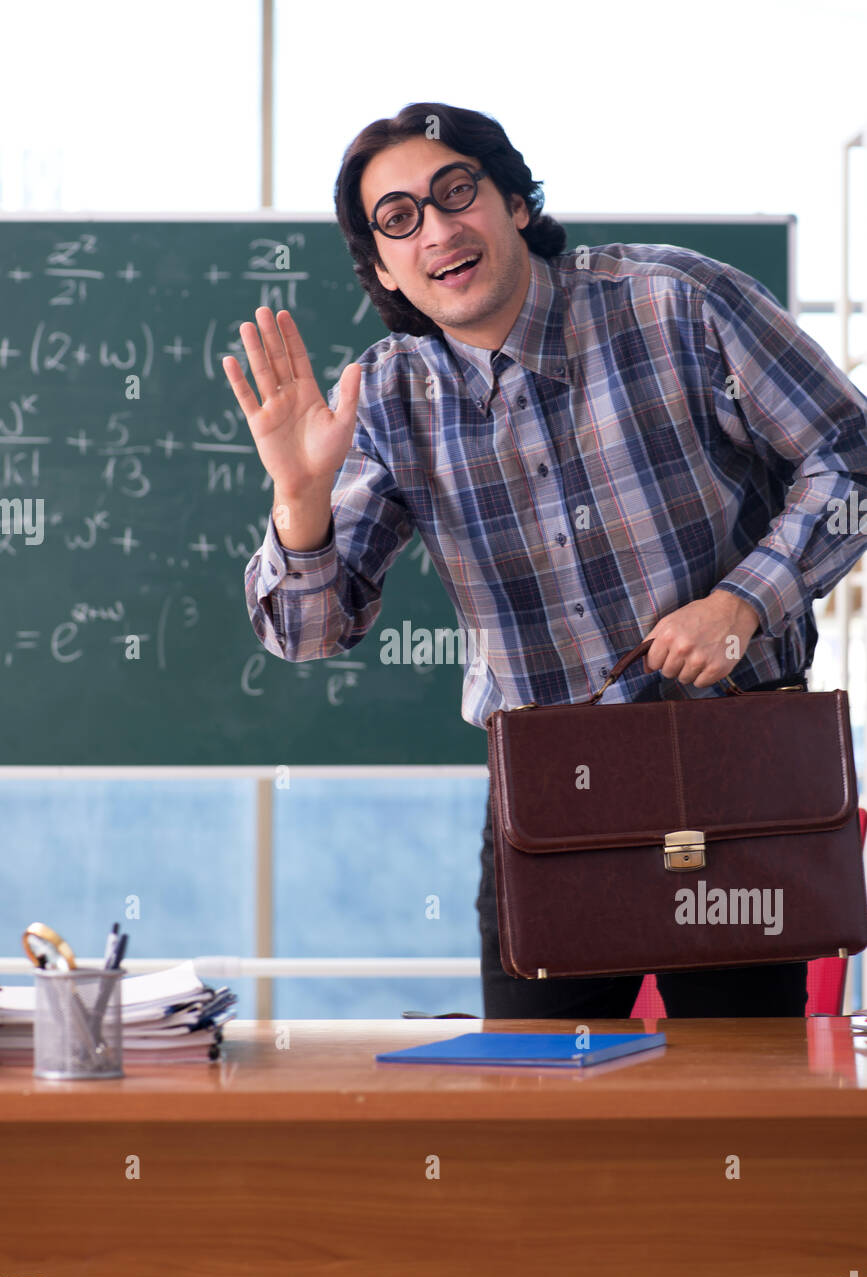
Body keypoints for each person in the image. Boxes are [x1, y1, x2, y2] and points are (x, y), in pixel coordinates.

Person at [223, 101, 867, 1020]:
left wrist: (744, 601)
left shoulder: (675, 301)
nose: (439, 229)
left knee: (739, 1110)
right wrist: (299, 497)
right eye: (399, 218)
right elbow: (308, 633)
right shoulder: (390, 399)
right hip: (549, 802)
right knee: (537, 1121)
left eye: (458, 193)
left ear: (516, 203)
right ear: (381, 266)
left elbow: (851, 451)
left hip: (733, 770)